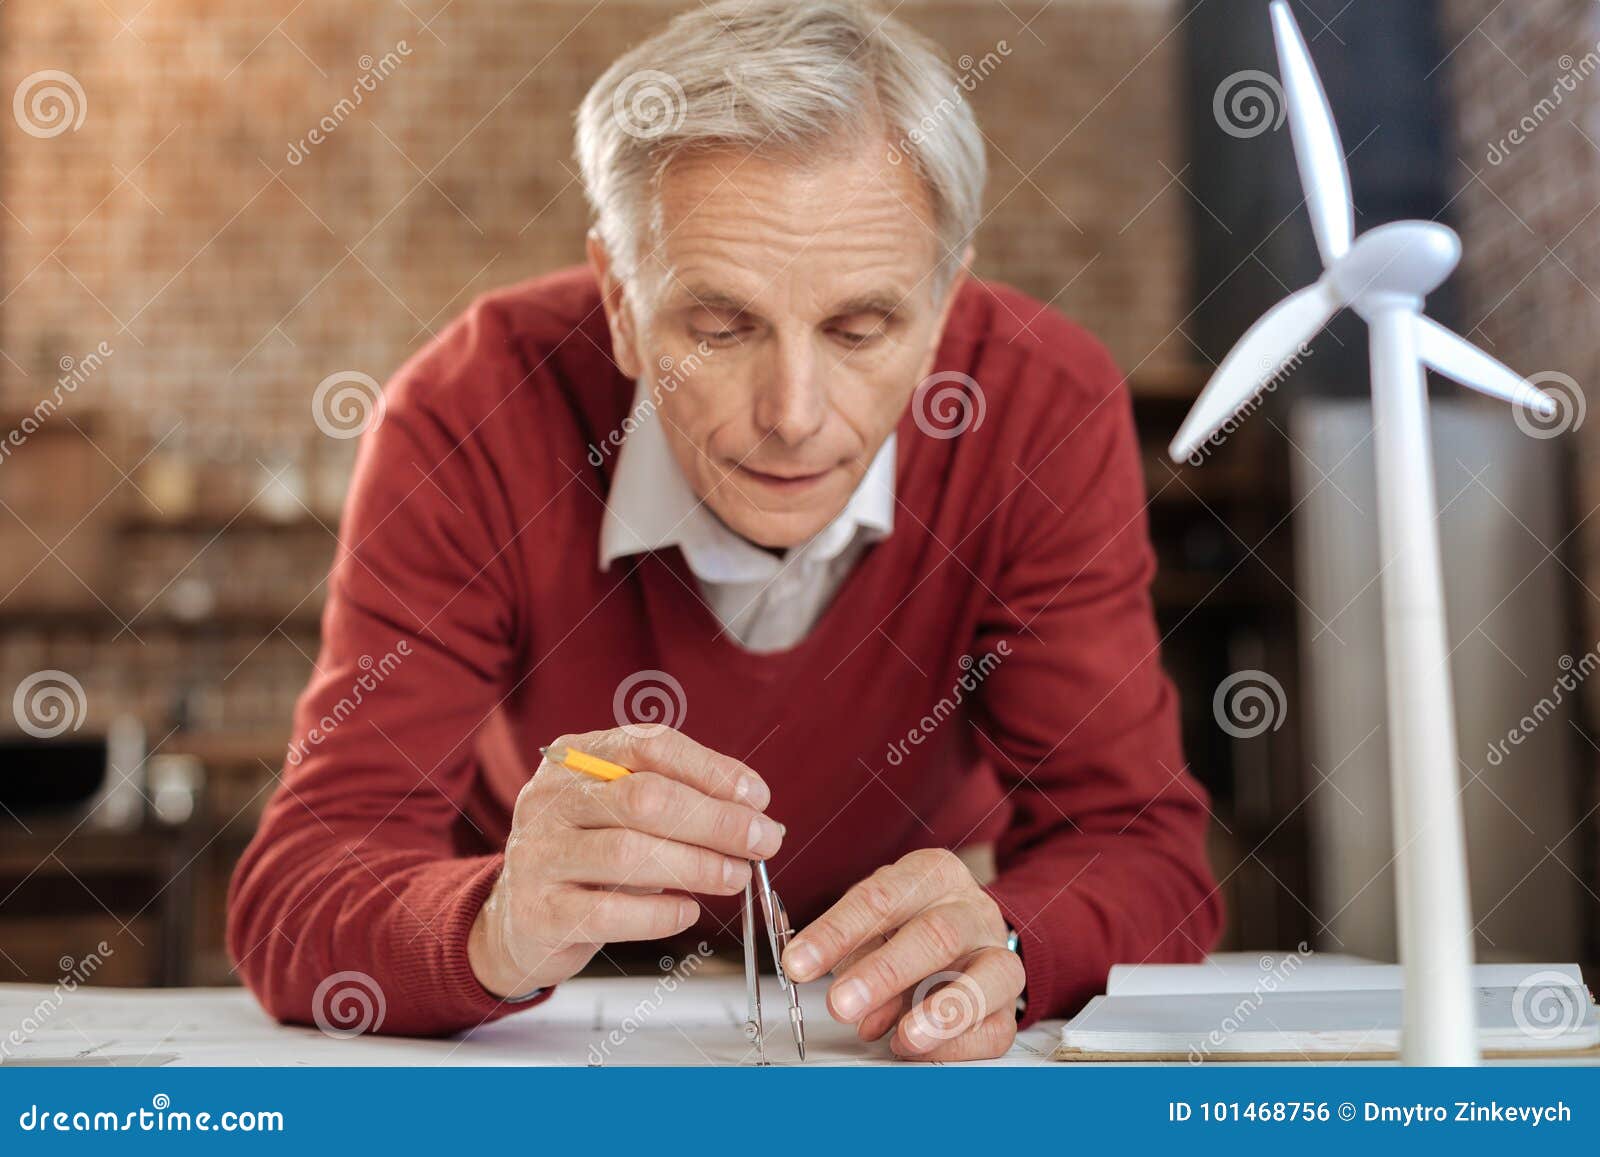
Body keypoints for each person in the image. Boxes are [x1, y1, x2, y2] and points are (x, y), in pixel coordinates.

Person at [227, 0, 1221, 1061]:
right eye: (719, 327)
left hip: (886, 1000)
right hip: (534, 1002)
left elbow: (1140, 851)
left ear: (941, 307)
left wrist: (1011, 943)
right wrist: (497, 927)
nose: (793, 414)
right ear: (620, 301)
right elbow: (300, 886)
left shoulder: (1036, 404)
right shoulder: (470, 411)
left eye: (860, 329)